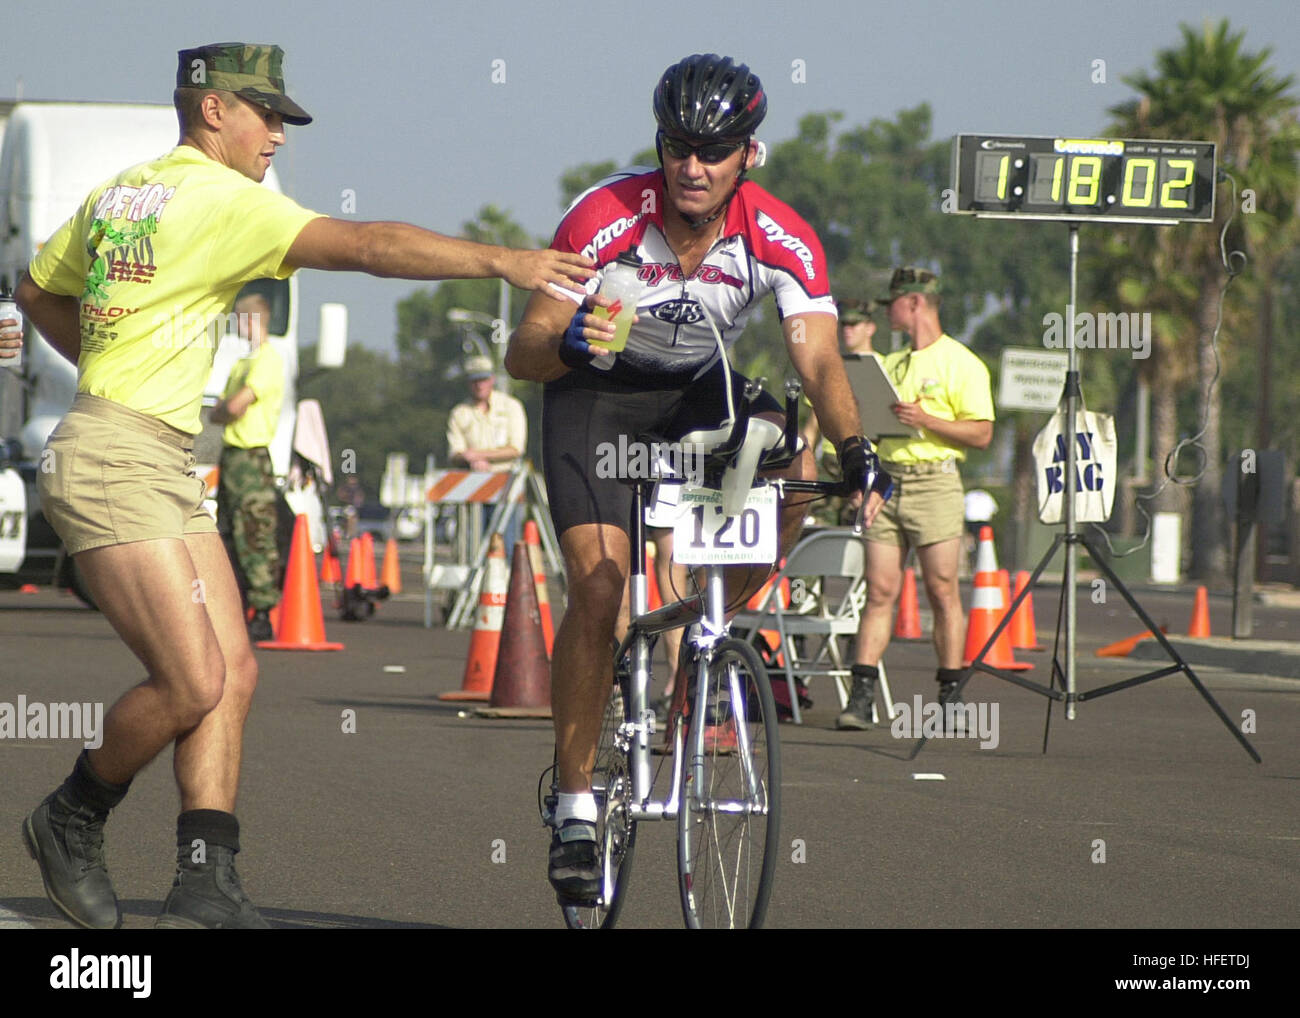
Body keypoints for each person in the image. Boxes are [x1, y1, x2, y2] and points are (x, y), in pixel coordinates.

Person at [13, 41, 593, 930]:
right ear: (214, 110)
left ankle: (206, 881)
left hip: (154, 453)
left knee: (236, 671)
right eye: (267, 112)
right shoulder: (224, 200)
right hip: (114, 461)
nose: (280, 133)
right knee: (192, 681)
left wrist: (107, 366)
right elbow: (365, 245)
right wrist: (503, 262)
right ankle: (72, 813)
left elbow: (36, 286)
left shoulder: (125, 188)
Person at [504, 53, 887, 905]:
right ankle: (573, 805)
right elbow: (522, 351)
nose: (694, 166)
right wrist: (570, 343)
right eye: (679, 146)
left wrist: (861, 448)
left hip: (693, 395)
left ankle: (706, 632)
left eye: (715, 150)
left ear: (749, 155)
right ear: (660, 145)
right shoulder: (603, 215)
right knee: (600, 592)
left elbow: (819, 357)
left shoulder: (778, 235)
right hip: (593, 396)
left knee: (793, 452)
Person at [838, 267, 995, 731]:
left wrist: (926, 420)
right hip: (888, 482)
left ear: (916, 303)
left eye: (894, 305)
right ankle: (861, 696)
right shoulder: (893, 364)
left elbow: (982, 434)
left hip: (935, 482)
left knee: (942, 589)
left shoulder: (961, 362)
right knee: (880, 590)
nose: (889, 313)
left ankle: (950, 694)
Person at [212, 290, 283, 641]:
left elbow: (234, 406)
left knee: (255, 535)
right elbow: (219, 411)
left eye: (239, 318)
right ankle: (236, 606)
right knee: (228, 533)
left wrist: (225, 409)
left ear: (252, 320)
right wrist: (224, 409)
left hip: (252, 457)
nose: (236, 326)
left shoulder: (267, 360)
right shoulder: (242, 363)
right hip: (233, 456)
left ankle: (263, 609)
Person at [446, 354, 527, 558]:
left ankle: (503, 587)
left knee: (504, 546)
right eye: (475, 380)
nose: (479, 385)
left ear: (492, 379)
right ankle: (472, 588)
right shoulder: (460, 413)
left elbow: (516, 449)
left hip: (504, 485)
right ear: (468, 382)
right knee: (470, 548)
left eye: (483, 379)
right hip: (471, 488)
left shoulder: (511, 407)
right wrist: (469, 459)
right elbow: (455, 453)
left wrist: (477, 455)